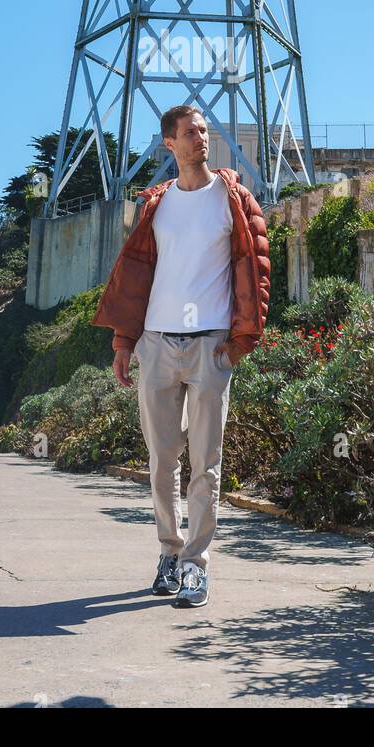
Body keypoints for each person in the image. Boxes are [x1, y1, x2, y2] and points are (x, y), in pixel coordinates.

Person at [91, 104, 270, 608]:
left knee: (205, 463)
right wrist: (125, 343)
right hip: (157, 344)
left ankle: (196, 565)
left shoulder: (233, 199)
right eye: (191, 132)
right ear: (169, 142)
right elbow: (136, 277)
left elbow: (256, 269)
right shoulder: (156, 204)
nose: (201, 138)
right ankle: (169, 553)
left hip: (211, 345)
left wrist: (238, 342)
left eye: (204, 131)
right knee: (161, 461)